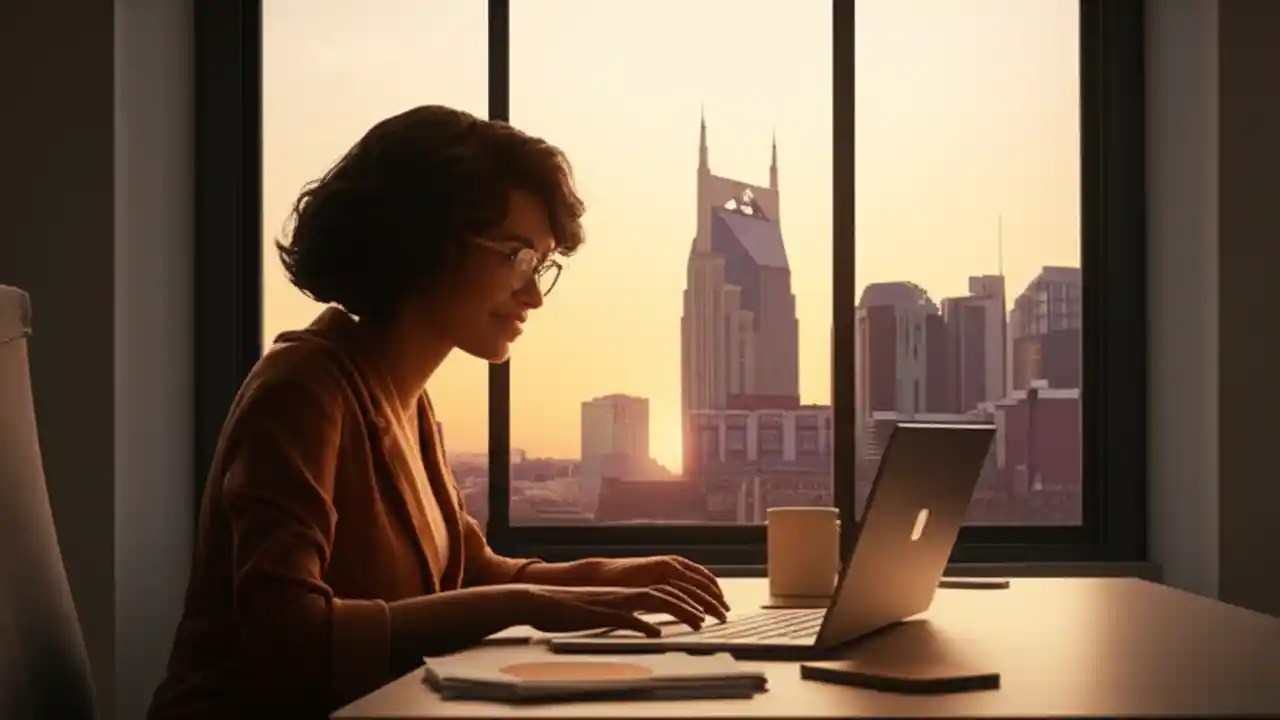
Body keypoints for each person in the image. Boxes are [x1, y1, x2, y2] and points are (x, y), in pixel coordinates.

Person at [149, 105, 730, 719]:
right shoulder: (303, 389)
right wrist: (524, 604)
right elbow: (288, 634)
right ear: (423, 238)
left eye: (542, 266)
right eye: (517, 257)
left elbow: (471, 571)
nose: (533, 293)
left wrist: (604, 573)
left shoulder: (407, 400)